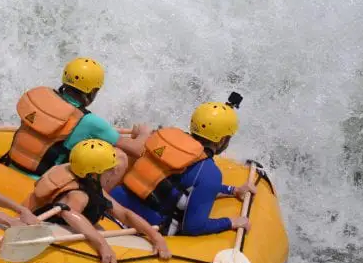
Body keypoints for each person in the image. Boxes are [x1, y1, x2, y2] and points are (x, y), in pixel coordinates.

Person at [109, 96, 257, 236]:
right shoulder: (209, 172)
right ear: (222, 140)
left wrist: (232, 190)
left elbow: (174, 183)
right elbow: (193, 227)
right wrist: (231, 222)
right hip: (141, 223)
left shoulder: (164, 138)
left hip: (112, 202)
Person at [0, 57, 148, 183]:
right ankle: (95, 204)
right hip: (40, 181)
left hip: (10, 165)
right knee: (119, 157)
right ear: (92, 91)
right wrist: (143, 133)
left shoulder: (41, 96)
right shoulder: (90, 122)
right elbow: (137, 150)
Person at [25, 139, 171, 263]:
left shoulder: (88, 182)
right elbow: (68, 212)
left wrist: (155, 236)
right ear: (94, 173)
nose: (114, 173)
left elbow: (125, 215)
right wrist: (102, 244)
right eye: (110, 170)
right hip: (39, 229)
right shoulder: (78, 194)